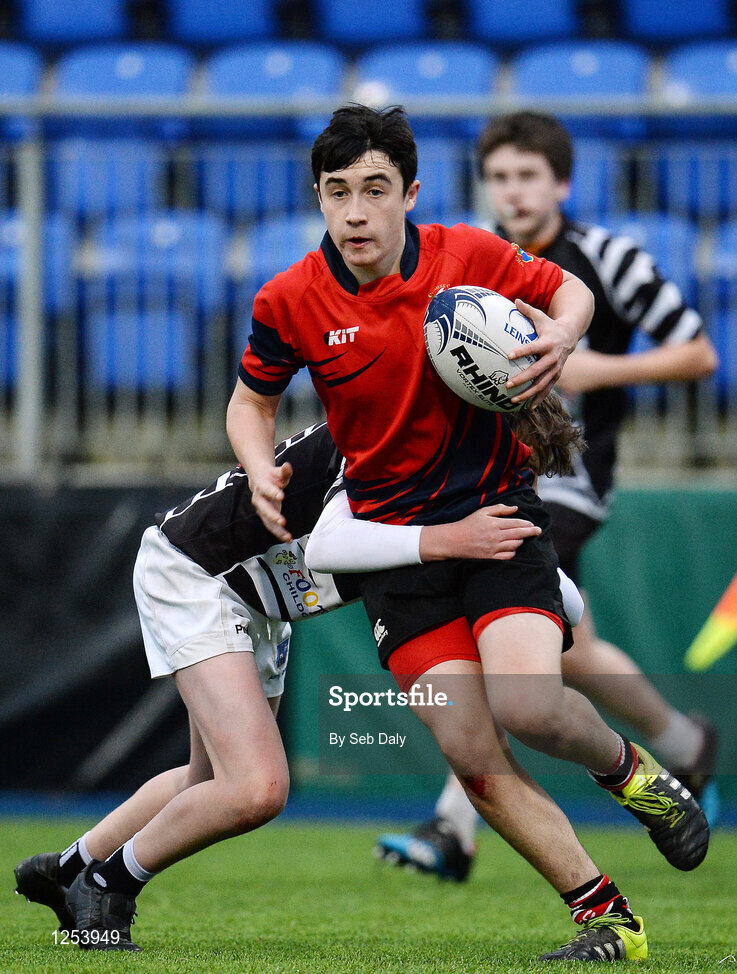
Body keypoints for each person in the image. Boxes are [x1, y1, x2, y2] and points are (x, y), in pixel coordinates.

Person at [229, 104, 709, 962]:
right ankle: (608, 921)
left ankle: (634, 775)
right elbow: (249, 402)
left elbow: (568, 291)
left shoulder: (468, 256)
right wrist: (258, 466)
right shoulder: (288, 298)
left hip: (496, 518)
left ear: (410, 193)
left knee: (529, 705)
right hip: (396, 550)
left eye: (375, 189)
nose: (355, 212)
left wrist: (561, 333)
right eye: (336, 192)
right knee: (472, 755)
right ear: (318, 197)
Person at [14, 421, 562, 951]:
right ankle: (106, 886)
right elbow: (329, 544)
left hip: (258, 596)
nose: (517, 492)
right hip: (197, 573)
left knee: (212, 781)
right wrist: (448, 540)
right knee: (257, 789)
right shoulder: (399, 442)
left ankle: (65, 870)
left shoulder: (450, 465)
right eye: (515, 472)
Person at [370, 110, 720, 883]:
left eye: (527, 176)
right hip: (483, 475)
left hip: (568, 480)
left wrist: (595, 370)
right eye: (499, 177)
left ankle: (452, 825)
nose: (513, 191)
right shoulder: (471, 265)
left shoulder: (607, 260)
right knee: (572, 648)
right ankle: (684, 744)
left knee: (497, 625)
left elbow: (699, 353)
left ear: (561, 183)